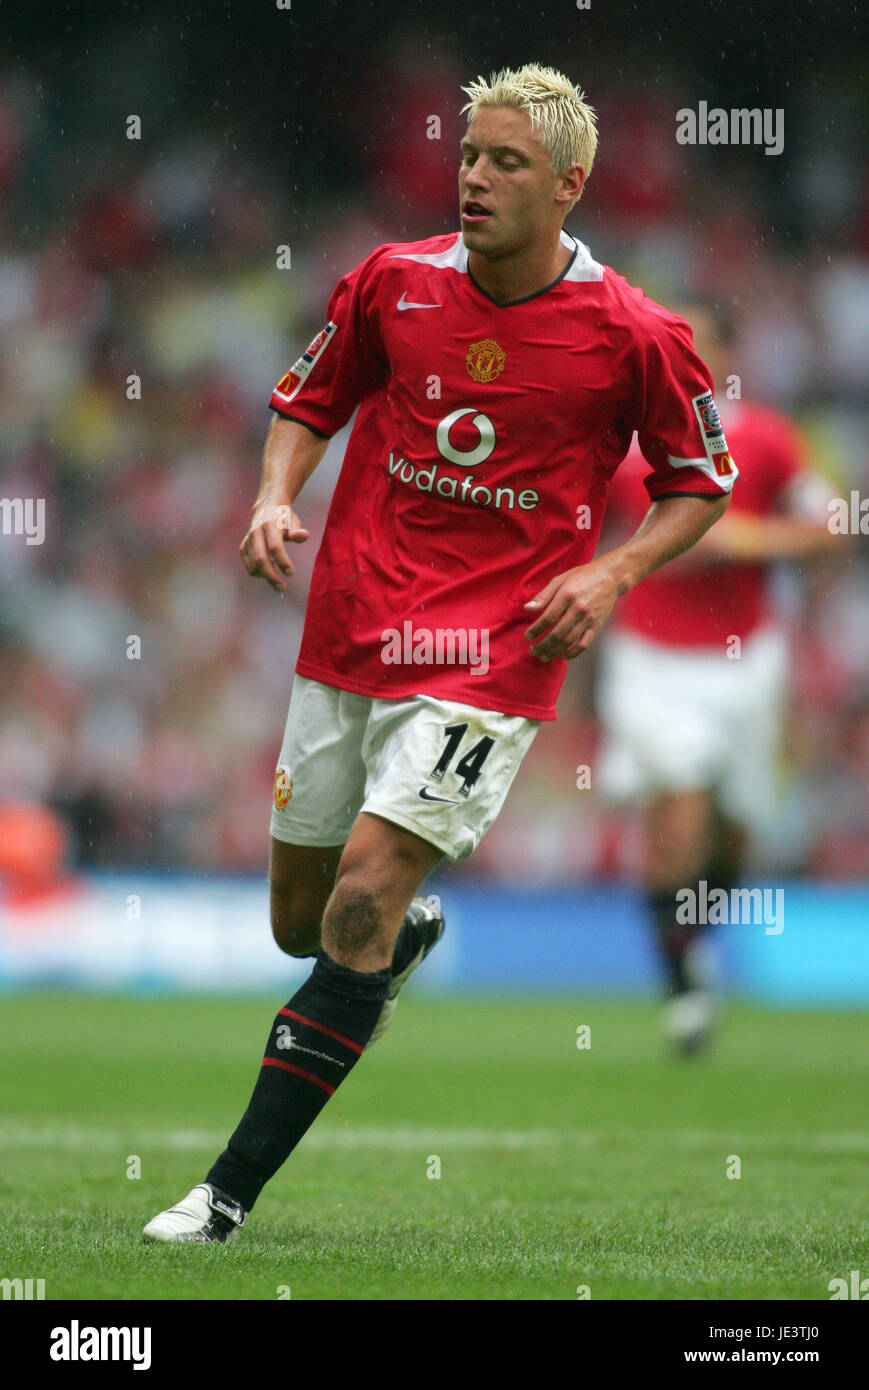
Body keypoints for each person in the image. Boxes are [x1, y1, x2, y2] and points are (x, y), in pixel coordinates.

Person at [144, 63, 734, 1243]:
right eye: (469, 156)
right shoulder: (390, 282)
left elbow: (699, 482)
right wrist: (270, 498)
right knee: (302, 924)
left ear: (566, 186)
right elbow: (310, 398)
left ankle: (221, 1196)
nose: (474, 178)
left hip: (493, 656)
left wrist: (609, 570)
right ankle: (393, 947)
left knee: (360, 893)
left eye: (505, 163)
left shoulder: (634, 332)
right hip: (350, 628)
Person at [595, 300, 838, 1053]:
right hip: (651, 659)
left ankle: (693, 946)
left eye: (697, 342)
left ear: (727, 353)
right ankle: (681, 984)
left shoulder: (766, 437)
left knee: (731, 833)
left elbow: (835, 526)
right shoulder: (622, 443)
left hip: (746, 664)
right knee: (680, 808)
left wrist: (739, 539)